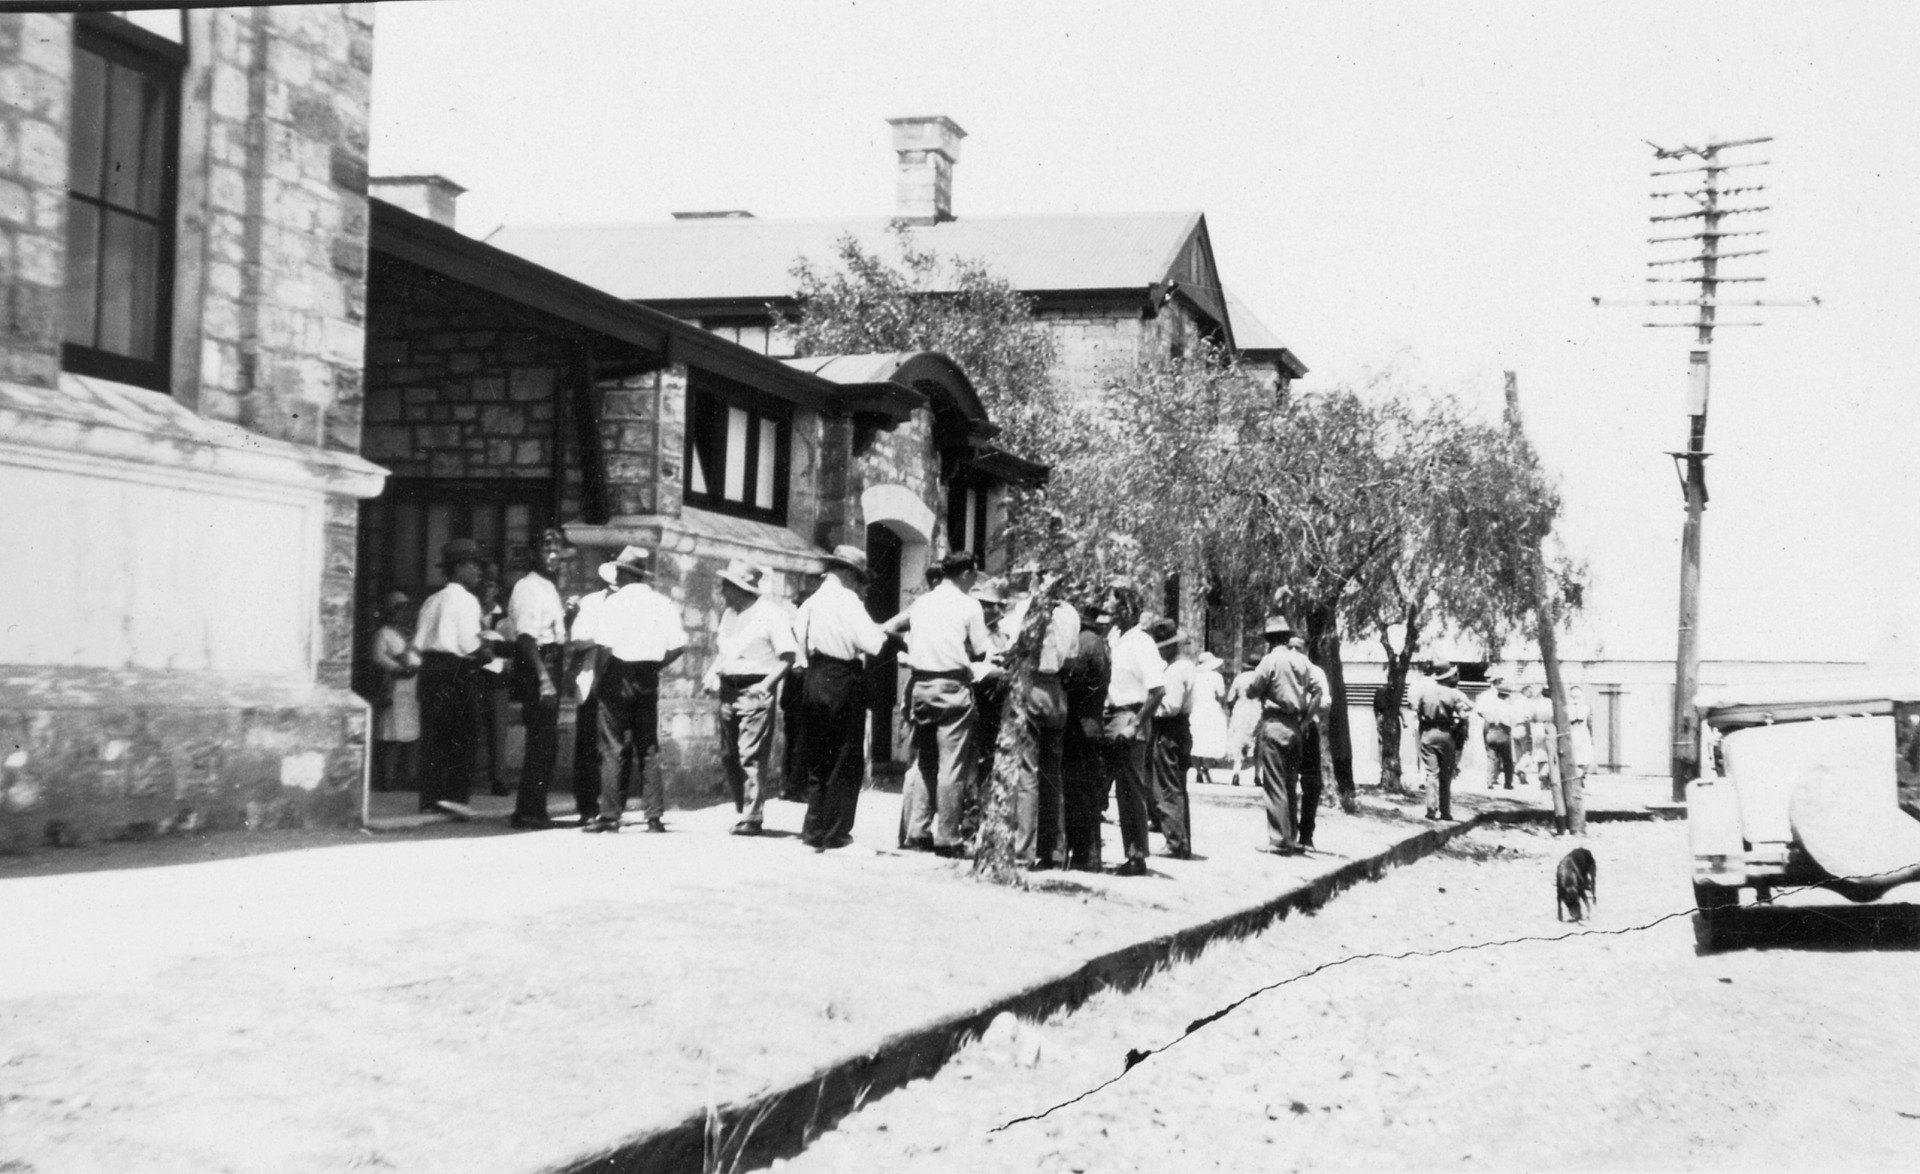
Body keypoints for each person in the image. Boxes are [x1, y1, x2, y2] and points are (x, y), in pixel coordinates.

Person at [569, 544, 686, 834]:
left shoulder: (615, 603)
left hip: (618, 672)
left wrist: (602, 676)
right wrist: (655, 666)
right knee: (647, 746)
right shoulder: (662, 603)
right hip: (647, 673)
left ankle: (609, 814)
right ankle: (654, 815)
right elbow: (679, 645)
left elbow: (605, 645)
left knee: (612, 745)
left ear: (623, 574)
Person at [885, 551, 994, 858]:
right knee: (952, 764)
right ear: (965, 574)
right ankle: (948, 836)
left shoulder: (922, 602)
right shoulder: (969, 605)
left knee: (923, 760)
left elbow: (888, 627)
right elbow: (983, 649)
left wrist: (913, 649)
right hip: (952, 685)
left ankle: (917, 831)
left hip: (921, 684)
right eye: (973, 576)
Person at [792, 544, 888, 850]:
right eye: (858, 578)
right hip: (841, 678)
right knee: (844, 757)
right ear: (848, 573)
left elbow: (797, 635)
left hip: (813, 677)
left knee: (817, 757)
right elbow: (872, 643)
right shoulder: (847, 601)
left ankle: (813, 830)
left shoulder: (810, 602)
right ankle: (836, 831)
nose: (860, 586)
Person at [702, 560, 796, 836]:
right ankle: (743, 809)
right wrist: (712, 672)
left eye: (726, 586)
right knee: (729, 753)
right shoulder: (729, 615)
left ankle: (752, 816)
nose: (722, 592)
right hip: (728, 688)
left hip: (755, 687)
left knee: (750, 754)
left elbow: (787, 656)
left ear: (741, 589)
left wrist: (766, 686)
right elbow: (725, 652)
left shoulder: (771, 615)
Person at [412, 538, 497, 818]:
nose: (478, 572)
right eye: (473, 565)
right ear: (459, 567)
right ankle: (454, 797)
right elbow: (470, 645)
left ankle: (430, 798)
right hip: (455, 670)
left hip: (429, 670)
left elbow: (419, 640)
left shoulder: (432, 600)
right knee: (463, 734)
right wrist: (489, 653)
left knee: (433, 735)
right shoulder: (466, 600)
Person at [506, 529, 570, 829]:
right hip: (539, 665)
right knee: (541, 741)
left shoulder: (548, 587)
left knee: (545, 741)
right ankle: (531, 811)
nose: (553, 554)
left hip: (551, 660)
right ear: (533, 553)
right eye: (546, 548)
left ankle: (531, 808)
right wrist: (544, 678)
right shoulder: (528, 587)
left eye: (557, 548)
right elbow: (527, 638)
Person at [1245, 615, 1321, 854]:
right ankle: (1292, 836)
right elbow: (1318, 690)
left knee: (1275, 781)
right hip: (1296, 726)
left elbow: (1252, 689)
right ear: (1287, 637)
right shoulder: (1302, 661)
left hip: (1276, 722)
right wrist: (1306, 717)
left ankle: (1279, 838)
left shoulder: (1270, 661)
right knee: (1289, 783)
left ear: (1269, 639)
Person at [1101, 584, 1162, 876]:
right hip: (1108, 714)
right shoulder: (1114, 638)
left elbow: (1158, 691)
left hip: (1129, 715)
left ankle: (1136, 856)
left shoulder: (1142, 643)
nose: (1107, 608)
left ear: (1127, 609)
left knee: (1130, 789)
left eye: (1112, 604)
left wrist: (1135, 724)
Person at [1059, 599, 1112, 871]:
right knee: (1088, 795)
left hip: (1079, 725)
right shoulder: (1099, 641)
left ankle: (1082, 856)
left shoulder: (1083, 642)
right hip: (1093, 723)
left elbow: (1072, 681)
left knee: (1078, 793)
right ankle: (1089, 856)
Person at [567, 560, 618, 825]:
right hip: (592, 679)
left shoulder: (629, 604)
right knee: (587, 745)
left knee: (612, 746)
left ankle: (610, 806)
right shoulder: (590, 603)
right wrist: (603, 637)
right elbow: (578, 637)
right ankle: (586, 807)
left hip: (618, 683)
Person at [1148, 619, 1196, 859]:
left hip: (1169, 728)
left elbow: (1171, 706)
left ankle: (1175, 841)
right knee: (1177, 785)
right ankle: (1182, 838)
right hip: (1181, 729)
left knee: (1167, 786)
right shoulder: (1185, 666)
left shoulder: (1175, 671)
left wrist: (1149, 710)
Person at [369, 591, 421, 794]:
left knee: (412, 735)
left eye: (406, 609)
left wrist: (416, 666)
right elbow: (378, 656)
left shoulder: (411, 633)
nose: (403, 613)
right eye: (399, 609)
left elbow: (419, 653)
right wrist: (398, 668)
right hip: (395, 685)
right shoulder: (384, 633)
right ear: (391, 611)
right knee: (392, 735)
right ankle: (388, 778)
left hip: (413, 687)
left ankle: (410, 777)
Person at [1288, 634, 1334, 850]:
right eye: (1291, 647)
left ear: (1306, 650)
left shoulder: (1315, 672)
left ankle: (1306, 834)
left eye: (1299, 648)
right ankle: (1286, 833)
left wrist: (1307, 711)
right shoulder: (1282, 669)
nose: (1294, 652)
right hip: (1286, 727)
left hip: (1307, 729)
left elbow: (1325, 702)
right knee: (1285, 781)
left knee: (1311, 783)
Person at [1412, 658, 1472, 821]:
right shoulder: (1453, 693)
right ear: (1448, 676)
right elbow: (1465, 715)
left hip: (1428, 733)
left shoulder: (1424, 691)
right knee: (1446, 775)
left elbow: (1415, 709)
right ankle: (1445, 811)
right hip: (1446, 735)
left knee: (1431, 773)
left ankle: (1431, 809)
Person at [475, 567, 513, 797]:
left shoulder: (504, 617)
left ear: (496, 590)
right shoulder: (470, 611)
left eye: (490, 585)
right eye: (482, 585)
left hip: (497, 677)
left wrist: (493, 648)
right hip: (474, 675)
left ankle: (498, 778)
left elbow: (511, 648)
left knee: (498, 730)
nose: (485, 590)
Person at [1187, 650, 1230, 783]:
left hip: (1195, 707)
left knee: (1196, 738)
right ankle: (1206, 766)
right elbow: (1221, 694)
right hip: (1210, 707)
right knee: (1212, 737)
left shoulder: (1192, 675)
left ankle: (1198, 769)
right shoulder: (1216, 677)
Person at [1226, 651, 1263, 787]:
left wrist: (1231, 709)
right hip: (1257, 710)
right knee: (1258, 743)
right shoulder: (1261, 677)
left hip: (1242, 710)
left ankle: (1236, 773)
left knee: (1240, 742)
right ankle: (1257, 775)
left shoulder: (1240, 678)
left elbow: (1230, 698)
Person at [1477, 675, 1518, 791]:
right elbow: (1513, 720)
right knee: (1507, 759)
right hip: (1503, 732)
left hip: (1490, 729)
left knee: (1491, 756)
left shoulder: (1489, 701)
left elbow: (1481, 712)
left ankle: (1489, 780)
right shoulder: (1508, 705)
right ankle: (1508, 782)